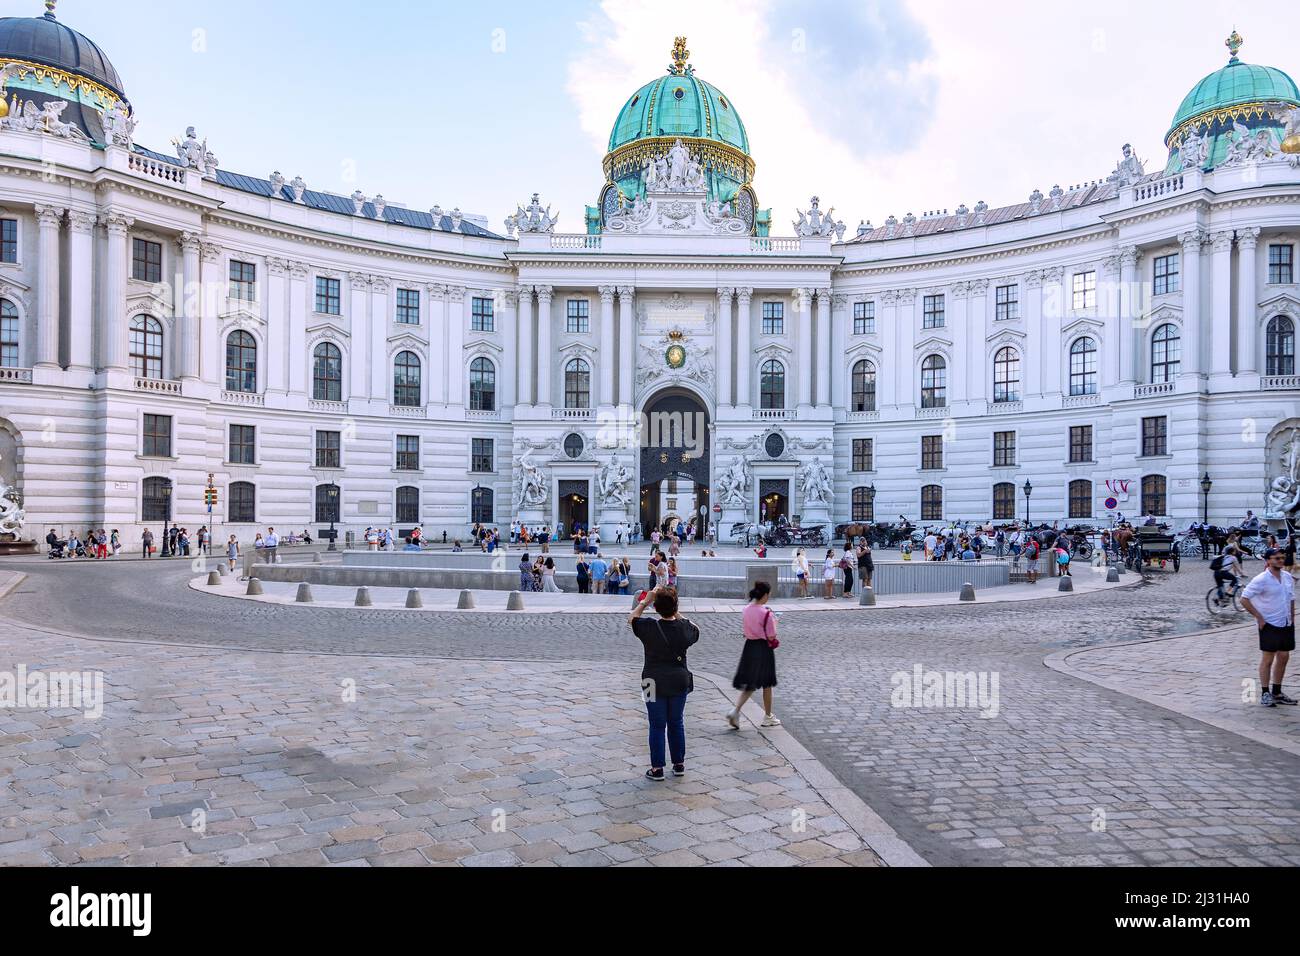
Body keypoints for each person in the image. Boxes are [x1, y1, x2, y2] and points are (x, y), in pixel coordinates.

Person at [629, 586, 700, 781]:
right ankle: (679, 764)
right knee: (676, 722)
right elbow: (696, 629)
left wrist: (646, 600)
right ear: (675, 606)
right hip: (678, 680)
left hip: (650, 681)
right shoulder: (683, 628)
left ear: (656, 607)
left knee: (656, 725)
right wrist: (674, 610)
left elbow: (632, 618)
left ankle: (657, 768)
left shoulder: (648, 626)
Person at [1241, 548, 1296, 707]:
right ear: (1268, 560)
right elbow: (1244, 599)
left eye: (1282, 558)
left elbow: (1291, 598)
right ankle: (1265, 693)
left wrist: (1292, 617)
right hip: (1269, 622)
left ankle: (1277, 691)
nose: (1280, 560)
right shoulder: (1262, 579)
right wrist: (1259, 617)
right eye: (1277, 558)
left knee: (1284, 656)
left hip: (1285, 622)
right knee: (1268, 658)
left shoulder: (1287, 577)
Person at [725, 581, 781, 729]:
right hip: (763, 649)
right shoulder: (767, 614)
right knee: (767, 683)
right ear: (766, 595)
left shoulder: (746, 609)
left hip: (749, 647)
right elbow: (771, 635)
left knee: (750, 683)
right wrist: (775, 621)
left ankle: (735, 711)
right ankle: (768, 716)